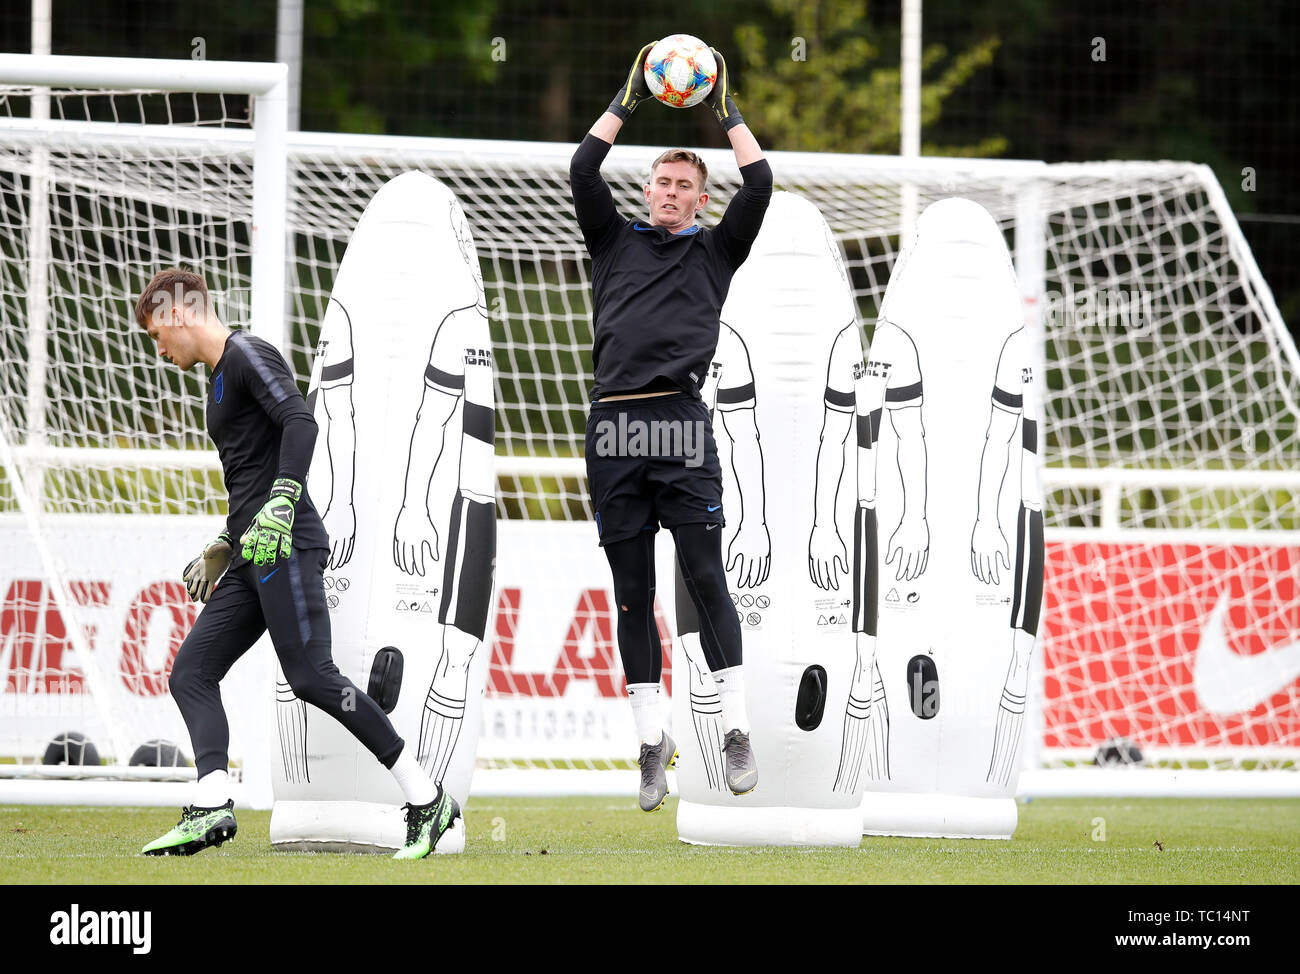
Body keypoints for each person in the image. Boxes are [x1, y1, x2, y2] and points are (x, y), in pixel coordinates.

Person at [133, 268, 457, 859]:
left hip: (287, 542)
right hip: (253, 550)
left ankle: (428, 800)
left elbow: (300, 422)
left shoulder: (248, 354)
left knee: (311, 676)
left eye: (156, 333)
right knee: (191, 674)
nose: (159, 349)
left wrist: (282, 502)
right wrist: (226, 543)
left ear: (177, 313)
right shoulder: (216, 383)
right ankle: (210, 805)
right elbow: (253, 472)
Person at [570, 44, 773, 811]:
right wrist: (628, 98)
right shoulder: (613, 240)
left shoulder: (719, 250)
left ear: (698, 200)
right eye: (662, 180)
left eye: (685, 185)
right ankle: (651, 742)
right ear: (648, 188)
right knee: (631, 593)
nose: (670, 192)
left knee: (703, 577)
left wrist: (723, 109)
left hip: (682, 425)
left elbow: (760, 181)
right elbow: (583, 172)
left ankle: (733, 729)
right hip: (614, 430)